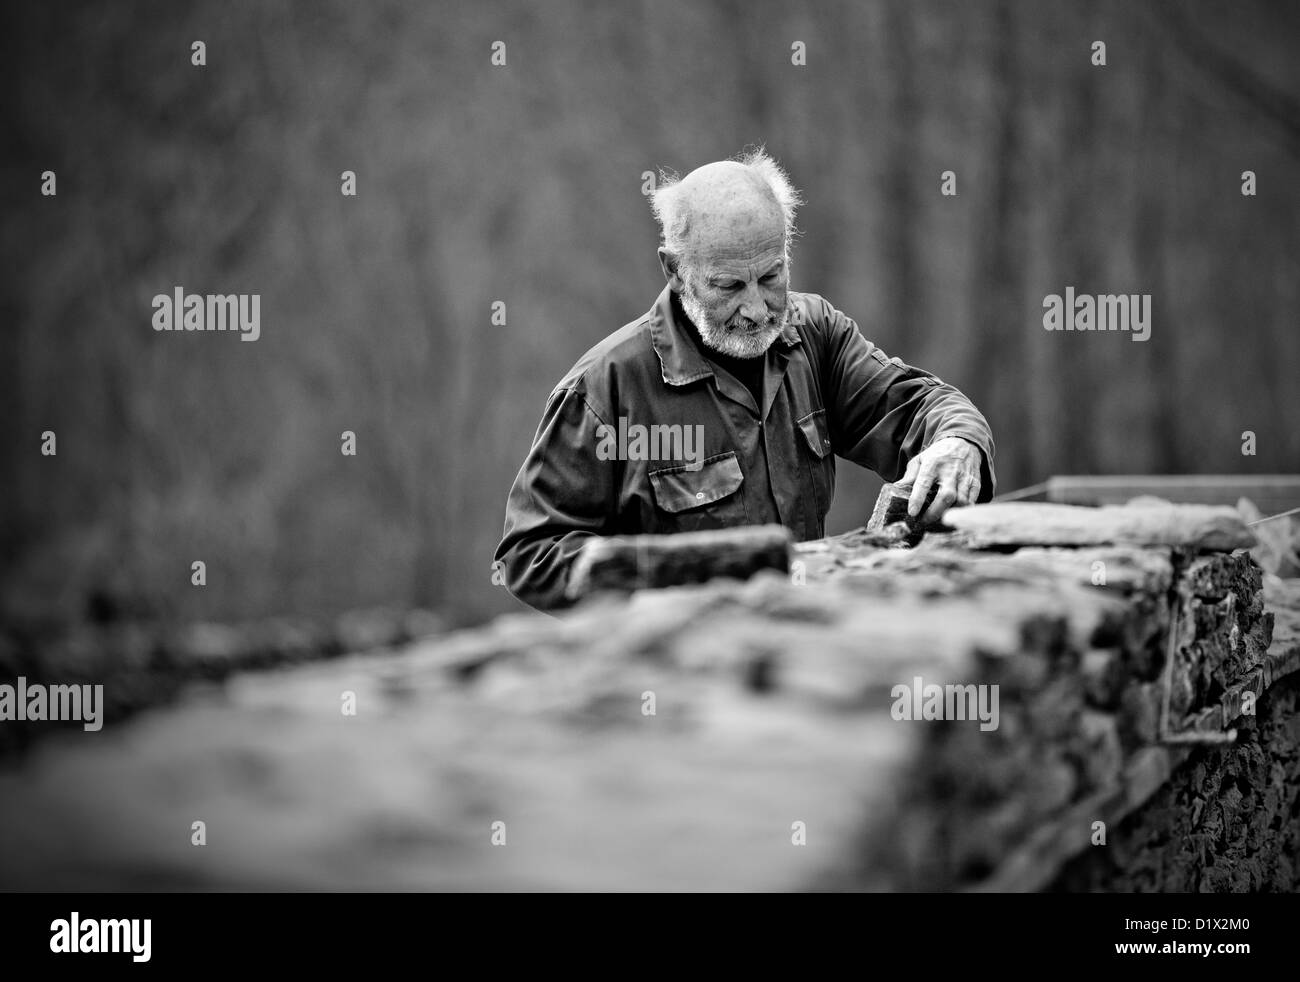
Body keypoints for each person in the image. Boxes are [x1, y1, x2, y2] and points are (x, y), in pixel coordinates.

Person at [495, 149, 996, 611]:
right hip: (681, 677)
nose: (756, 309)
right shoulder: (607, 391)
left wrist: (957, 443)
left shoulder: (815, 337)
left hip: (804, 658)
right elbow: (531, 553)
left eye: (771, 277)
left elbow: (919, 406)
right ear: (675, 270)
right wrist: (666, 585)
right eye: (730, 286)